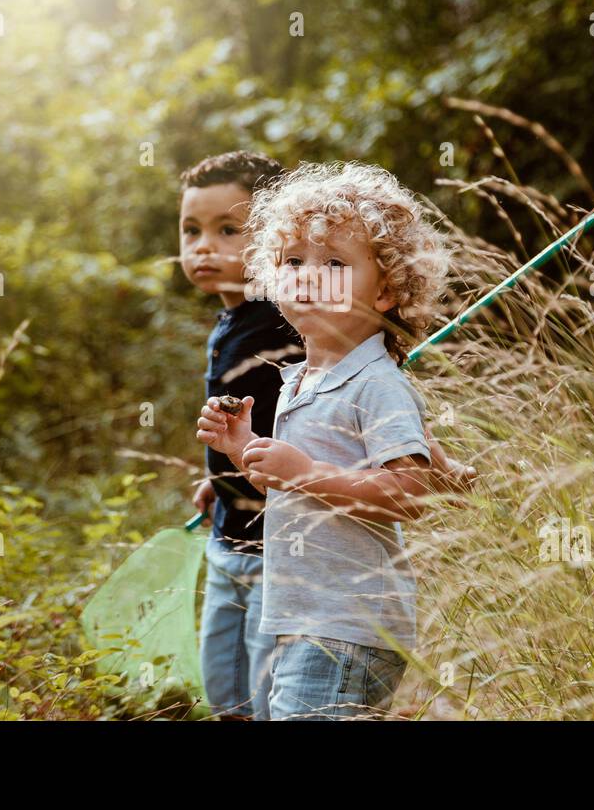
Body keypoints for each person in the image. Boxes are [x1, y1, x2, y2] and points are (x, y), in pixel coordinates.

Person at [196, 161, 473, 719]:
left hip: (348, 625)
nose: (307, 275)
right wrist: (245, 451)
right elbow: (295, 491)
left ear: (387, 289)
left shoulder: (377, 385)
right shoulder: (300, 379)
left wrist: (302, 472)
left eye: (334, 263)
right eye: (293, 260)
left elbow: (409, 494)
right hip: (304, 618)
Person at [178, 151, 303, 720]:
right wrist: (220, 477)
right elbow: (245, 421)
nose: (204, 247)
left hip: (276, 547)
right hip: (228, 536)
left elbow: (302, 420)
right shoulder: (229, 321)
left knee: (265, 686)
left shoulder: (287, 322)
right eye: (192, 230)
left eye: (227, 230)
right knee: (223, 687)